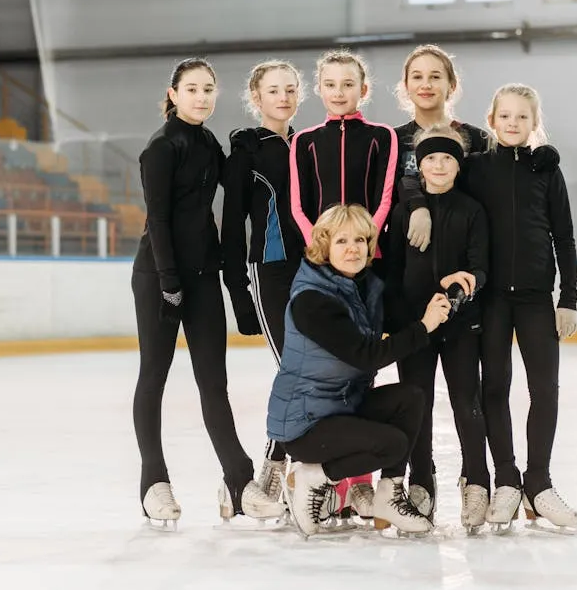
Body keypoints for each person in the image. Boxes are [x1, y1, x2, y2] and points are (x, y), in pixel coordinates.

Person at [398, 83, 577, 534]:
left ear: (534, 122)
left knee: (545, 389)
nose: (513, 123)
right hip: (492, 298)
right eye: (505, 116)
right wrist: (418, 205)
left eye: (522, 117)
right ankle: (506, 480)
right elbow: (427, 176)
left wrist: (568, 297)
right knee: (492, 389)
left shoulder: (546, 171)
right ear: (492, 121)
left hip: (537, 298)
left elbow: (565, 236)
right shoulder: (476, 168)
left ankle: (539, 483)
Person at [131, 57, 283, 527]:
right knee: (154, 375)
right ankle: (154, 483)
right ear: (173, 94)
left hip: (202, 278)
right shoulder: (161, 148)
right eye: (192, 89)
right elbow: (157, 218)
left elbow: (233, 180)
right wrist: (170, 281)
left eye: (209, 90)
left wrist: (248, 144)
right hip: (161, 276)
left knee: (213, 382)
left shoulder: (205, 140)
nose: (201, 97)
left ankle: (238, 481)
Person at [266, 204, 451, 537]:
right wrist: (424, 326)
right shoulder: (313, 300)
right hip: (306, 424)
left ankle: (388, 497)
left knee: (410, 398)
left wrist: (442, 292)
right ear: (324, 246)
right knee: (392, 444)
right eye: (341, 241)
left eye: (360, 240)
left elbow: (397, 321)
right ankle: (314, 476)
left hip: (342, 406)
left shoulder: (362, 286)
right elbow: (366, 356)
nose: (352, 248)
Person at [288, 49, 399, 517]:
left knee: (362, 367)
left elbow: (385, 196)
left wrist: (360, 247)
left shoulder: (382, 137)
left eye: (348, 84)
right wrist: (326, 249)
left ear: (363, 89)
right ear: (320, 89)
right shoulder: (304, 142)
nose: (338, 92)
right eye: (330, 84)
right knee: (327, 369)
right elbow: (299, 203)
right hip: (321, 264)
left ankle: (359, 482)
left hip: (367, 265)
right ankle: (327, 479)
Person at [384, 124, 491, 533]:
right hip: (415, 325)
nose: (440, 165)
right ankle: (421, 479)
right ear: (420, 165)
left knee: (467, 400)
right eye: (431, 158)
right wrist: (394, 320)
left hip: (460, 323)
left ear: (459, 166)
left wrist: (462, 291)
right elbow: (391, 273)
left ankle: (476, 478)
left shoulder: (472, 211)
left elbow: (481, 267)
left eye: (448, 158)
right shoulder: (404, 211)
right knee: (417, 401)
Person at [221, 60, 305, 502]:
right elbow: (231, 228)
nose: (283, 98)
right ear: (257, 98)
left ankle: (292, 463)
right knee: (293, 368)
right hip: (269, 269)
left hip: (312, 269)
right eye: (274, 91)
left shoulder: (308, 145)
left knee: (312, 368)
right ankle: (274, 464)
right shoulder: (246, 151)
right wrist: (238, 293)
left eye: (290, 89)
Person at [391, 44, 489, 255]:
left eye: (435, 77)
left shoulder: (477, 140)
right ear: (406, 86)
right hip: (409, 258)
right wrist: (418, 205)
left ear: (452, 85)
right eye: (417, 77)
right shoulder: (392, 140)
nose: (425, 85)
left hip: (463, 255)